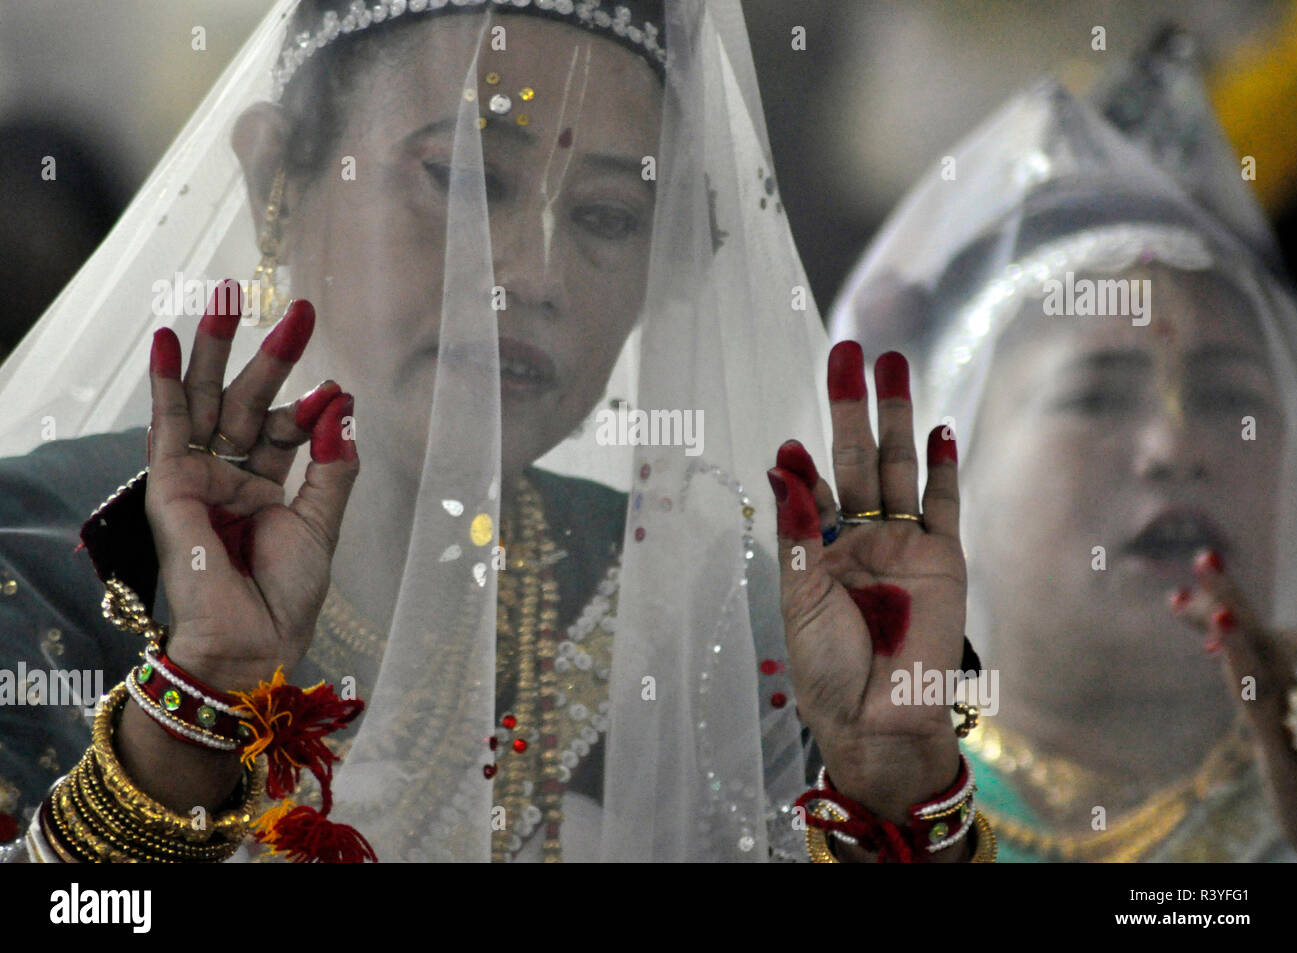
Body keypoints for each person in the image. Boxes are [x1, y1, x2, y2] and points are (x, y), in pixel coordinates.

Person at [0, 0, 991, 864]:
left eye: (606, 215)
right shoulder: (50, 554)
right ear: (277, 182)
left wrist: (896, 783)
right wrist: (197, 700)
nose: (531, 272)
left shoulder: (721, 622)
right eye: (464, 179)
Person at [830, 53, 1297, 861]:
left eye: (1232, 399)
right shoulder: (859, 813)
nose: (1175, 448)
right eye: (1097, 397)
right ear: (960, 471)